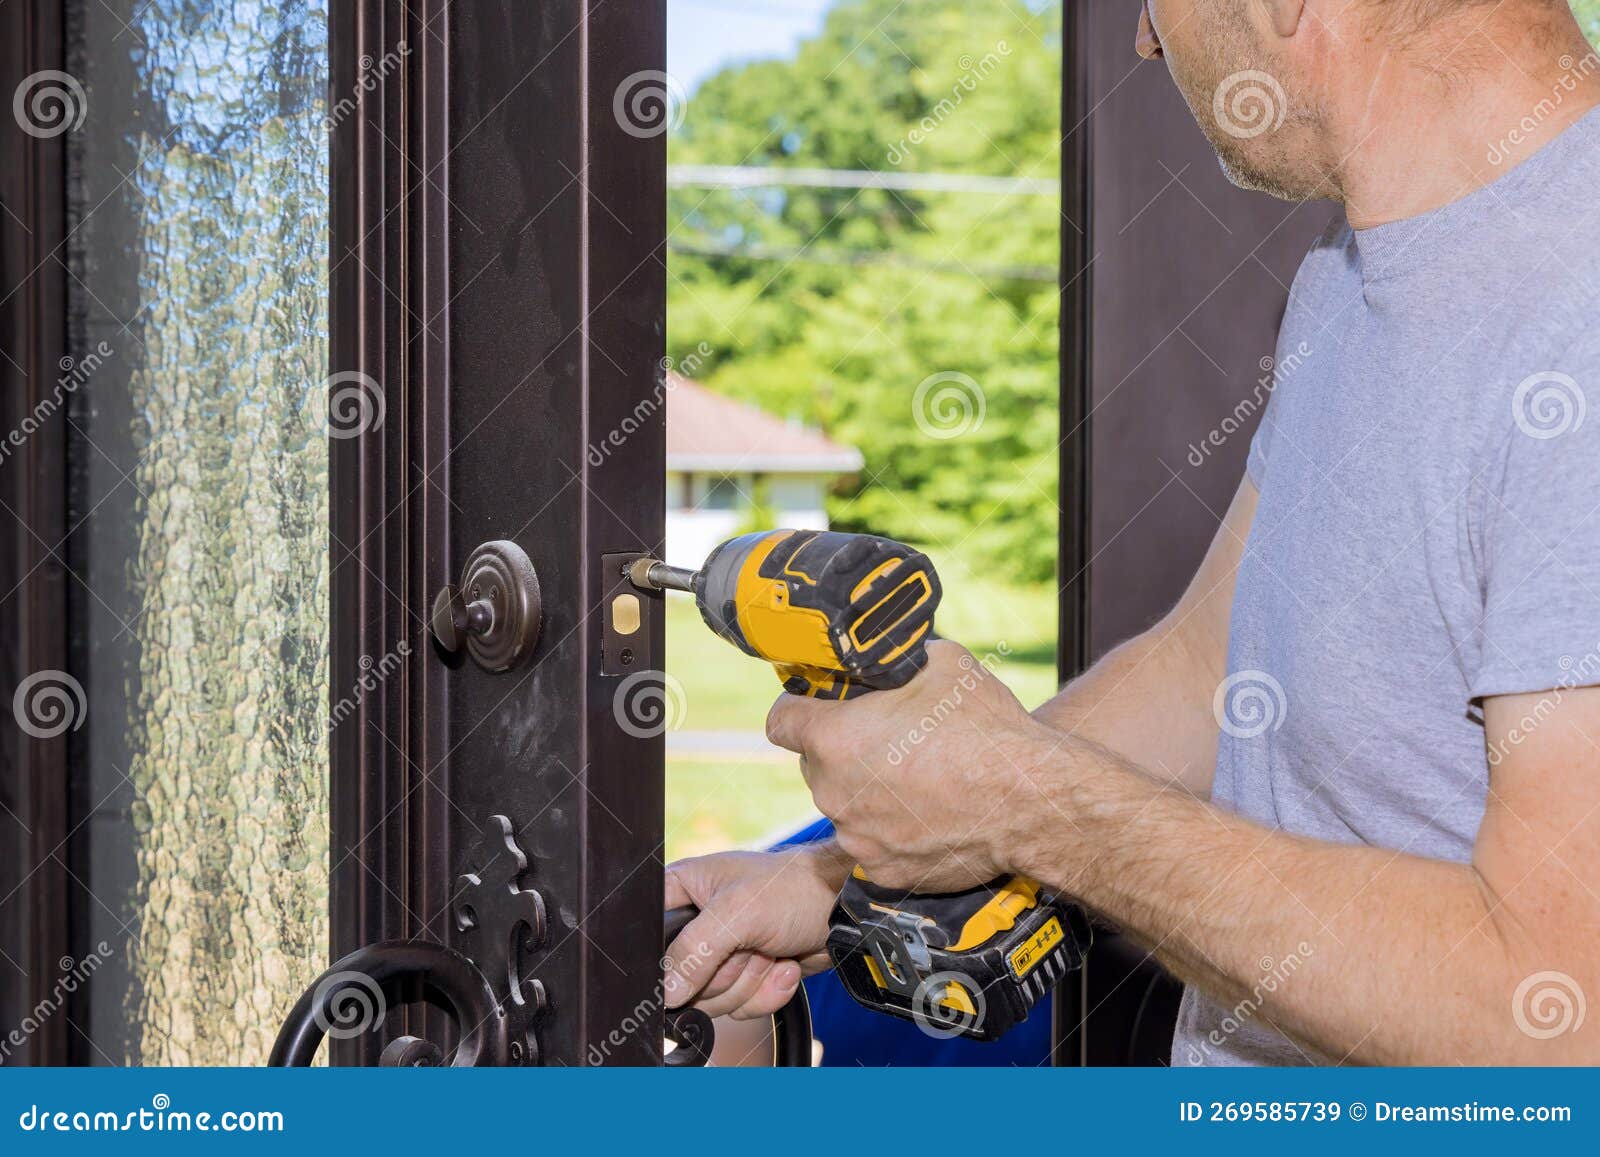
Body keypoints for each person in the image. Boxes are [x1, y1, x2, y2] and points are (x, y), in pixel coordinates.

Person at [663, 0, 1600, 1066]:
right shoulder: (1352, 275)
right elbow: (1209, 665)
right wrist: (836, 873)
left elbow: (1558, 1009)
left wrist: (1032, 805)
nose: (1147, 41)